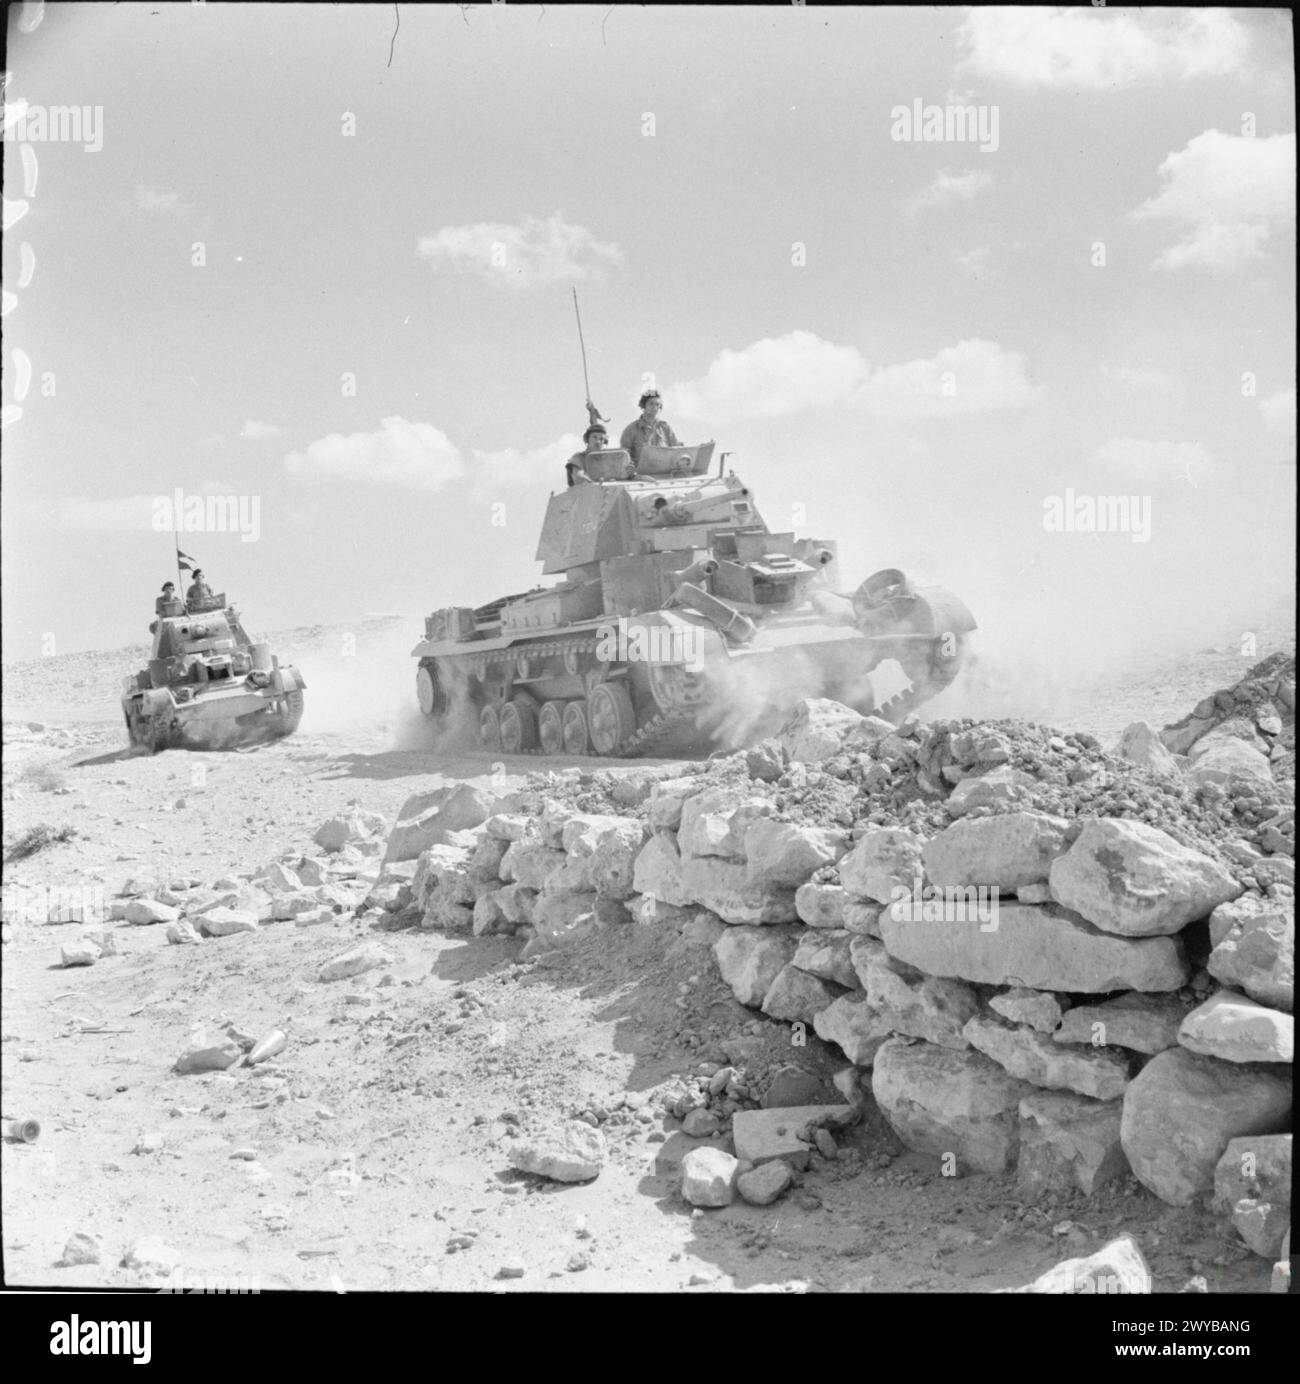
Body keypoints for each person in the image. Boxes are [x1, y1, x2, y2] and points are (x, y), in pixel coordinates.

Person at [619, 390, 680, 467]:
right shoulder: (631, 429)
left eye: (657, 404)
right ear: (644, 405)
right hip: (640, 475)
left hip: (664, 474)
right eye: (651, 403)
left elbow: (677, 450)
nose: (654, 407)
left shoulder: (665, 428)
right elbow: (624, 455)